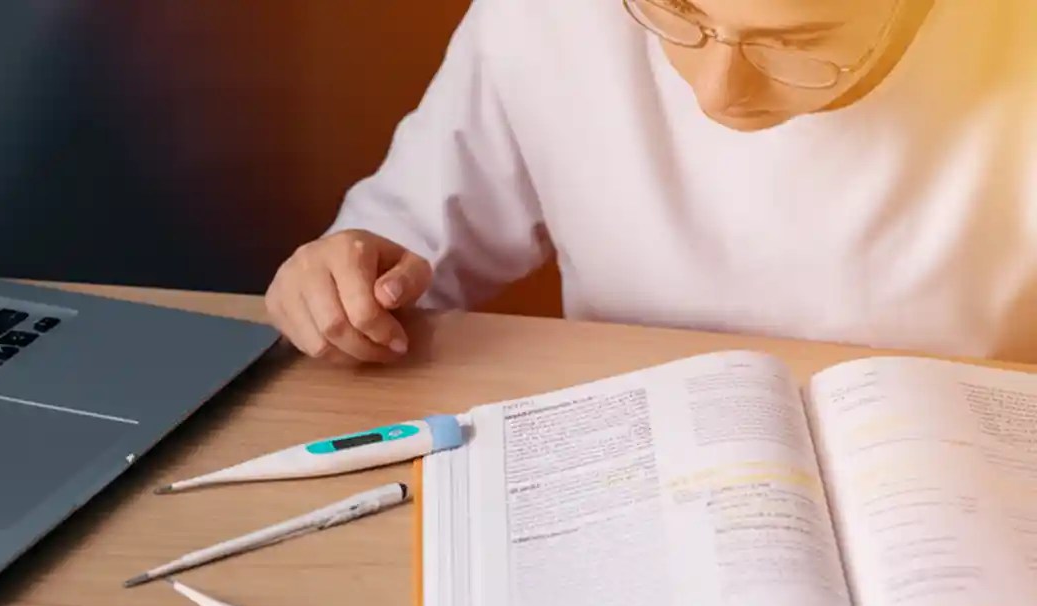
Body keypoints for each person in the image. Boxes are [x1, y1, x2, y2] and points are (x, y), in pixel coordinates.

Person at [264, 0, 1037, 365]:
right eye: (680, 14)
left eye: (797, 46)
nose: (716, 92)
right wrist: (348, 278)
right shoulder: (550, 15)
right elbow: (407, 249)